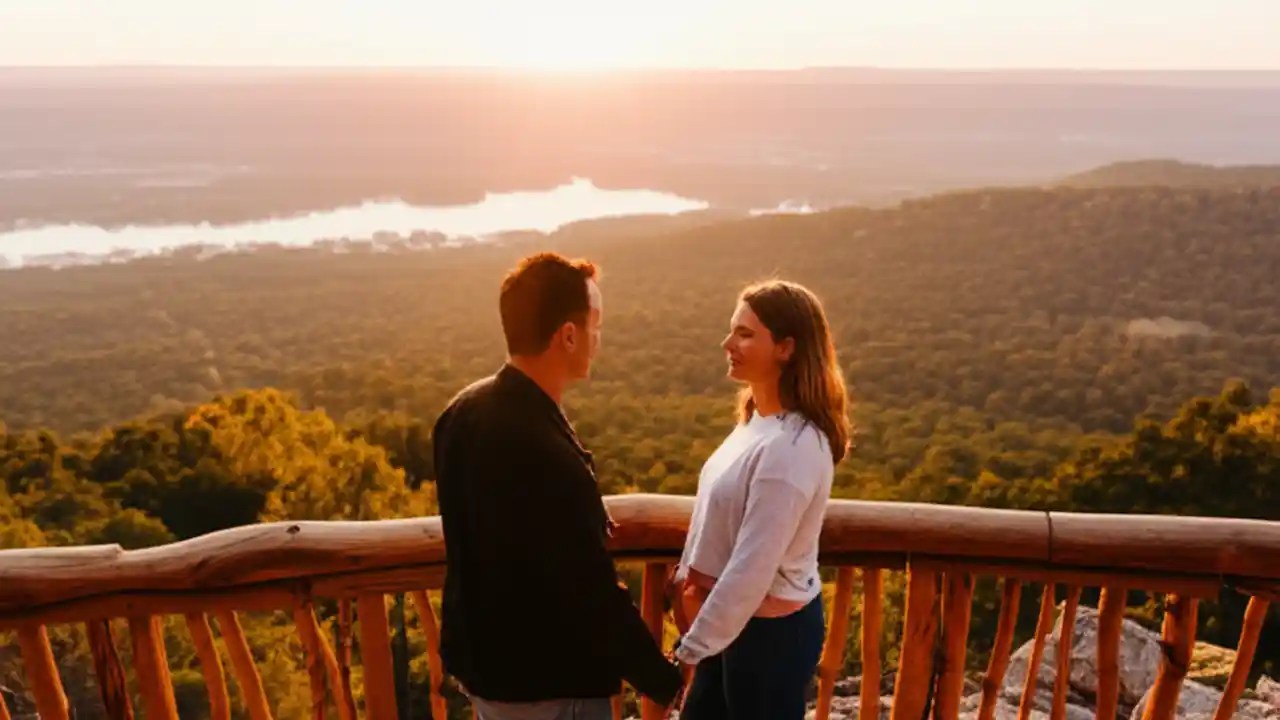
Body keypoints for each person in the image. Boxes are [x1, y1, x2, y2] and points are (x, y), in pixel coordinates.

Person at [432, 252, 682, 720]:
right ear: (568, 335)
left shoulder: (461, 413)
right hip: (549, 686)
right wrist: (667, 683)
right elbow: (590, 591)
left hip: (486, 673)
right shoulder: (545, 450)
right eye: (596, 325)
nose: (598, 339)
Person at [672, 280, 850, 720]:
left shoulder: (793, 447)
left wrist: (689, 650)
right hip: (731, 627)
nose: (727, 343)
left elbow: (753, 568)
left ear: (786, 348)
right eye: (733, 331)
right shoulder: (756, 421)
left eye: (746, 334)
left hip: (768, 638)